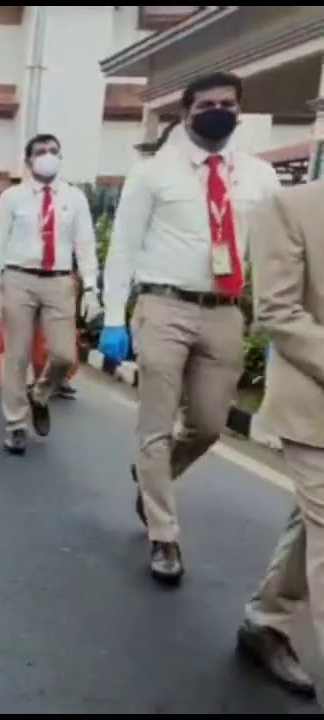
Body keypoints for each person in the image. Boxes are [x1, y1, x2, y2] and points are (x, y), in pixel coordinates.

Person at [100, 72, 282, 583]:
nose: (218, 110)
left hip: (225, 311)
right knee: (155, 424)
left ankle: (154, 476)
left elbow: (272, 252)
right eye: (206, 104)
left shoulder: (259, 177)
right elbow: (124, 248)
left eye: (227, 104)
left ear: (239, 112)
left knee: (206, 425)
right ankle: (164, 535)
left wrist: (274, 324)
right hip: (164, 306)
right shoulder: (153, 172)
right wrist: (114, 316)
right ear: (186, 113)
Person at [240, 176, 324, 700]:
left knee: (310, 520)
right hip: (316, 405)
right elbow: (279, 312)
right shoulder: (290, 206)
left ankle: (266, 620)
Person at [0, 132, 100, 456]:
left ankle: (41, 394)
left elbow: (85, 244)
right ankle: (16, 424)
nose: (47, 155)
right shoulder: (11, 198)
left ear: (60, 158)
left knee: (64, 355)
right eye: (40, 151)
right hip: (19, 278)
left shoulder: (75, 198)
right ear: (28, 160)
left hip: (59, 281)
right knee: (16, 355)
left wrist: (91, 287)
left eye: (53, 151)